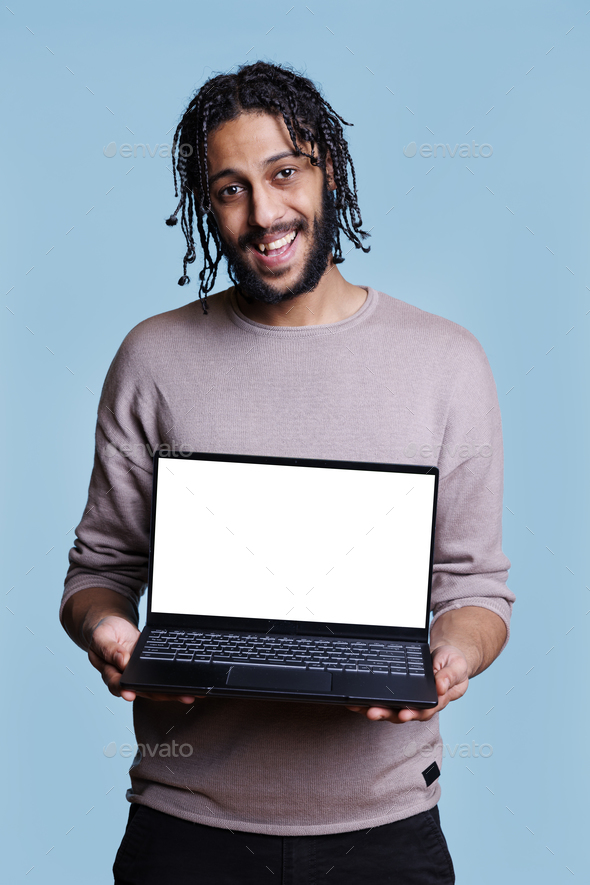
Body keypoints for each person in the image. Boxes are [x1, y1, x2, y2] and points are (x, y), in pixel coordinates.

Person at [60, 61, 514, 884]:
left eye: (284, 173)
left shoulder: (446, 363)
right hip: (185, 824)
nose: (265, 215)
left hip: (386, 831)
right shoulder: (153, 358)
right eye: (230, 189)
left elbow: (476, 587)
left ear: (328, 170)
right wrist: (109, 632)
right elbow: (99, 571)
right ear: (206, 205)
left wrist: (449, 656)